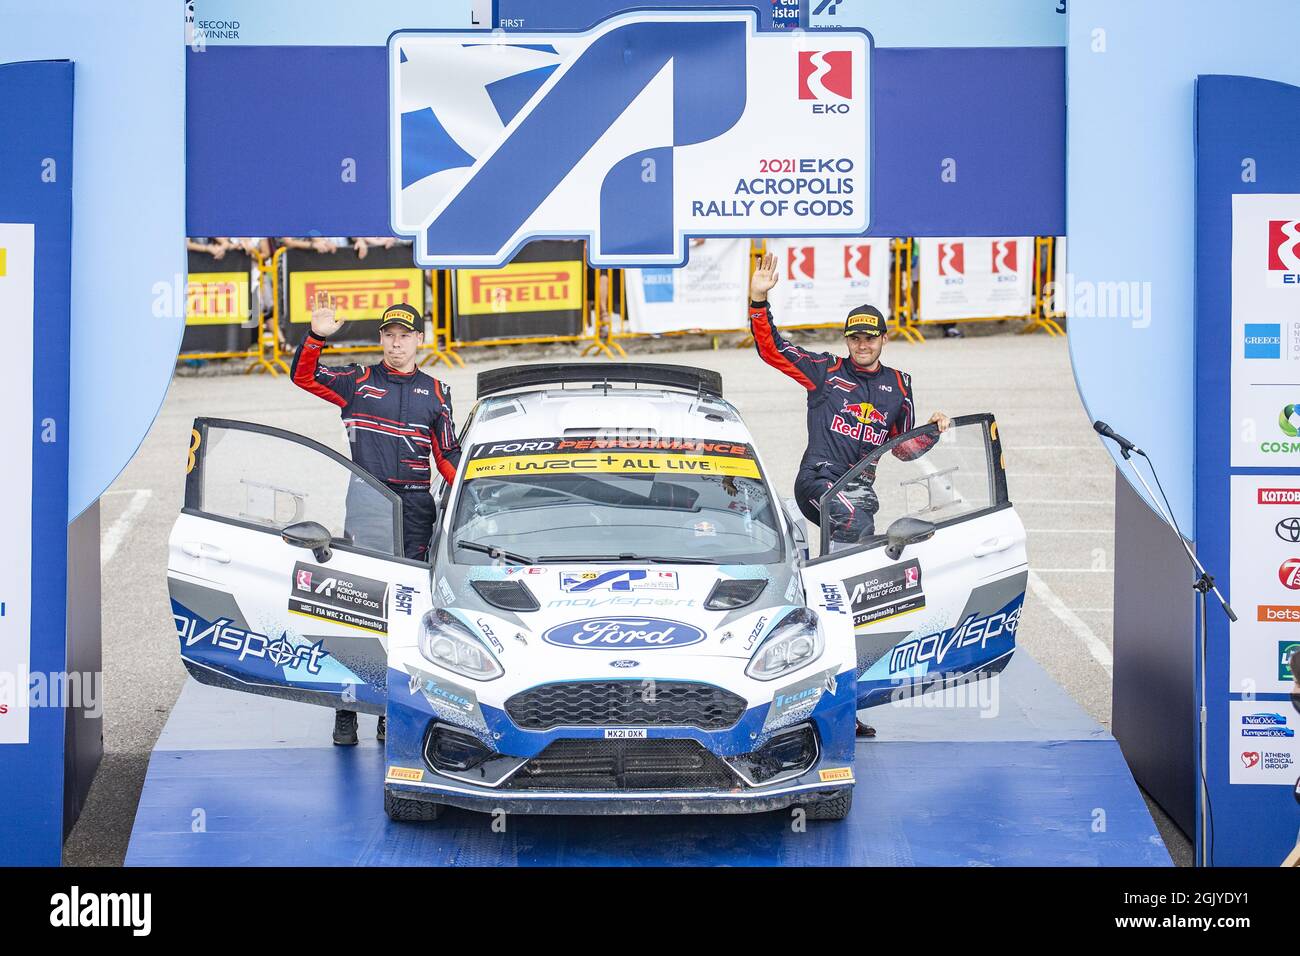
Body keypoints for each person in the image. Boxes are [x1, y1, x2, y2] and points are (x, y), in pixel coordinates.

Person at [748, 252, 951, 736]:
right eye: (855, 336)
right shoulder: (824, 371)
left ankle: (835, 687)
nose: (862, 344)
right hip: (818, 482)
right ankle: (831, 590)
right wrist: (759, 300)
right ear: (848, 340)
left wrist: (934, 429)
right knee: (853, 518)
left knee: (850, 594)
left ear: (883, 338)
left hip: (858, 493)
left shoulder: (898, 386)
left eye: (870, 336)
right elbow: (772, 350)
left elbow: (904, 449)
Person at [291, 293, 461, 745]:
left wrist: (472, 496)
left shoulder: (438, 392)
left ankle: (390, 705)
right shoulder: (357, 381)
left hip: (415, 508)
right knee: (355, 604)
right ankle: (347, 706)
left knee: (407, 611)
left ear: (419, 340)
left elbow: (447, 457)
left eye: (405, 336)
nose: (396, 343)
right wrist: (316, 337)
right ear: (382, 339)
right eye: (389, 335)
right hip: (367, 502)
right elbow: (302, 376)